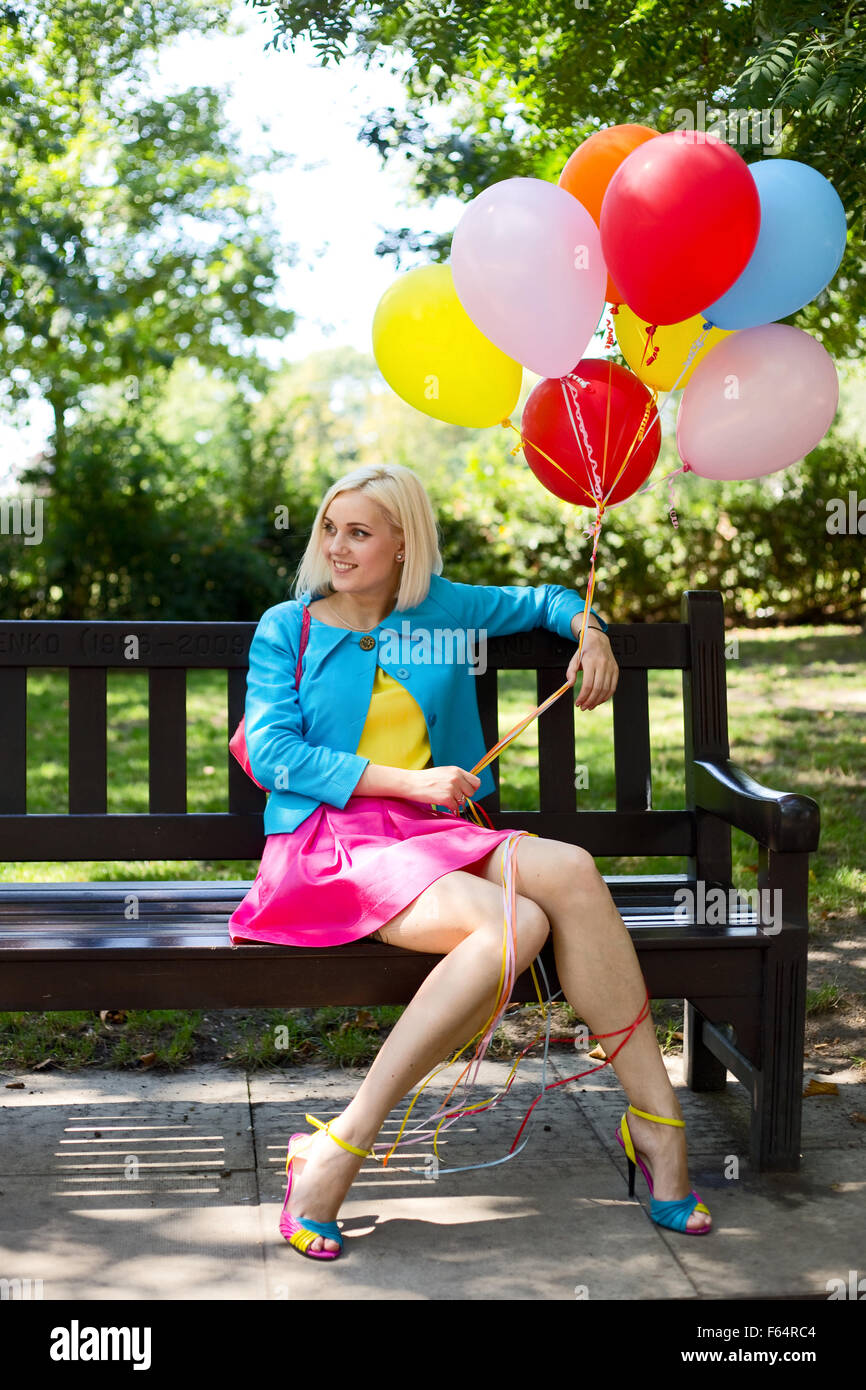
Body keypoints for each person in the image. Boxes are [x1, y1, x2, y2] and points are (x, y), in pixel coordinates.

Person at [229, 463, 712, 1259]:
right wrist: (405, 780)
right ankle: (341, 1145)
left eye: (359, 532)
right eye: (329, 528)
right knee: (513, 926)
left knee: (574, 872)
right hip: (333, 843)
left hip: (438, 837)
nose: (337, 548)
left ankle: (659, 1129)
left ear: (403, 543)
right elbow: (272, 752)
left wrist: (591, 633)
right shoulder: (291, 625)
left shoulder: (443, 608)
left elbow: (548, 600)